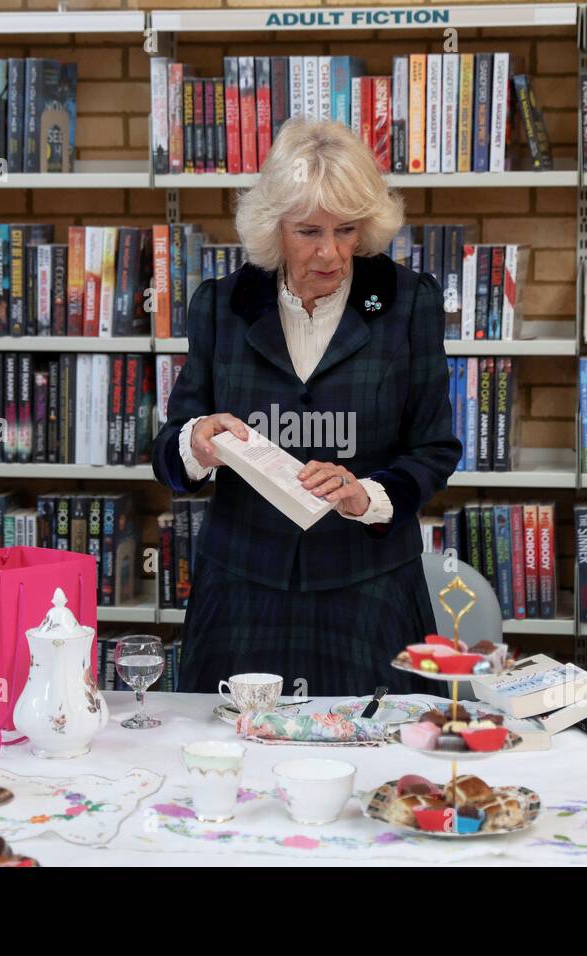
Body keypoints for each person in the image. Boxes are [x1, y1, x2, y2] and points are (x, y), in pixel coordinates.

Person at [152, 117, 462, 697]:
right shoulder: (221, 305)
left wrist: (366, 495)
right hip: (243, 585)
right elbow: (167, 456)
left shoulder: (406, 303)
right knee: (227, 746)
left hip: (367, 583)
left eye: (346, 230)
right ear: (274, 227)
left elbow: (434, 449)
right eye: (309, 231)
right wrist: (195, 443)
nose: (332, 253)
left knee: (380, 747)